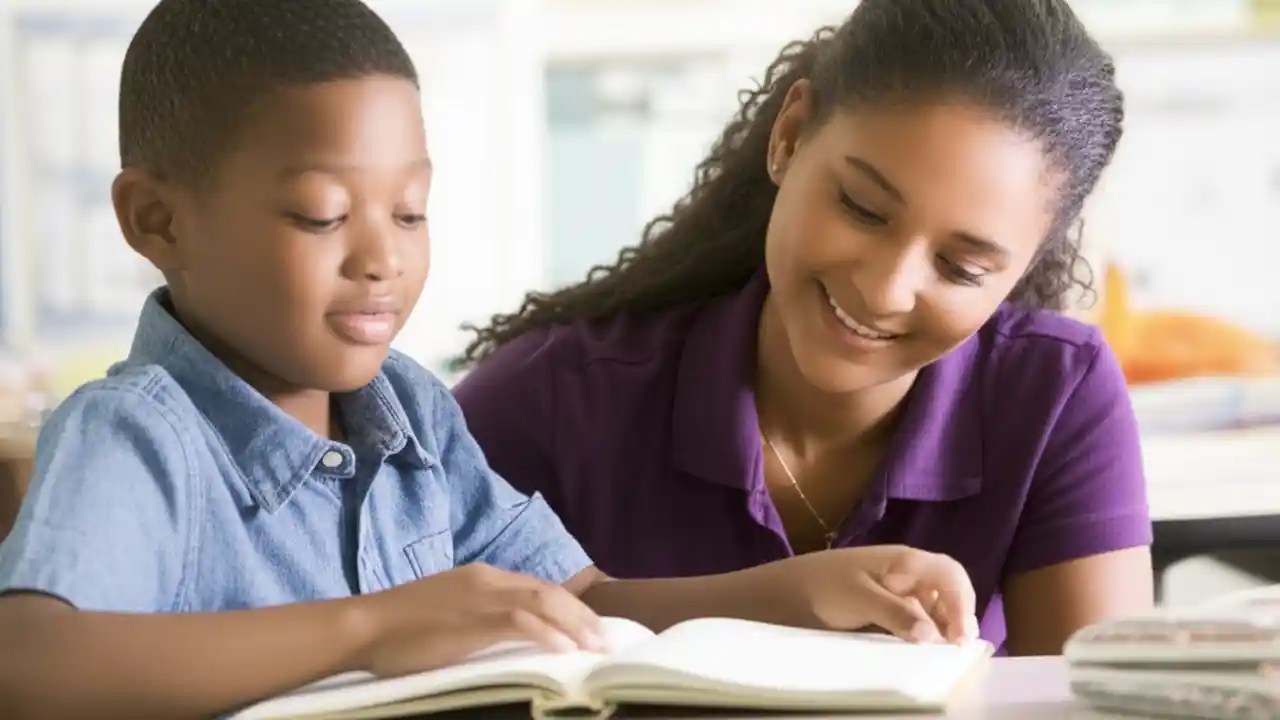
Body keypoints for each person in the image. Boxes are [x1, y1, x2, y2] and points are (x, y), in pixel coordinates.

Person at [0, 1, 979, 717]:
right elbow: (28, 662)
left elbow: (578, 602)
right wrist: (376, 629)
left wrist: (801, 591)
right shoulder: (136, 436)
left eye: (411, 211)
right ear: (156, 220)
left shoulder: (411, 415)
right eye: (322, 216)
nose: (383, 256)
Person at [455, 0, 1154, 657]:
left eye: (962, 267)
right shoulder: (547, 400)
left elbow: (1097, 697)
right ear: (789, 137)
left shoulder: (1057, 394)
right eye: (861, 207)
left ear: (1025, 265)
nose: (886, 289)